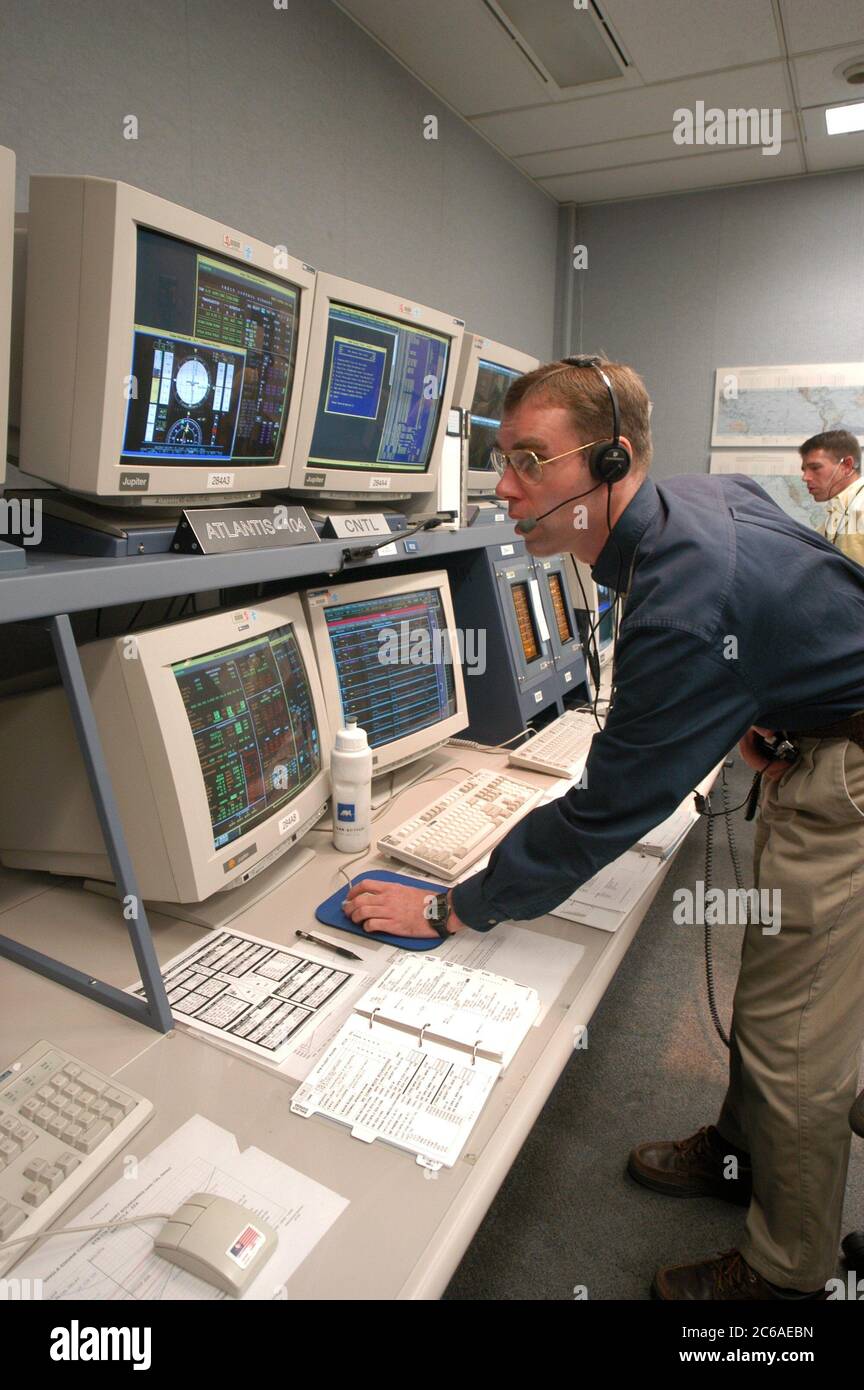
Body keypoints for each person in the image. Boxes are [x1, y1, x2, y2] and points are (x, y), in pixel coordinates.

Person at [344, 356, 864, 1301]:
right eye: (502, 458)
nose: (504, 487)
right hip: (820, 740)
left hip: (851, 781)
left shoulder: (684, 597)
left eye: (530, 461)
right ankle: (742, 1154)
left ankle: (790, 1275)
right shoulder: (698, 502)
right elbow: (804, 594)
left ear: (611, 461)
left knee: (796, 1039)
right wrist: (767, 698)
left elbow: (609, 809)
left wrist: (458, 907)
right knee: (775, 984)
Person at [800, 428, 864, 566]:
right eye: (804, 470)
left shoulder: (860, 507)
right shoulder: (840, 508)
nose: (805, 477)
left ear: (847, 465)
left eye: (815, 468)